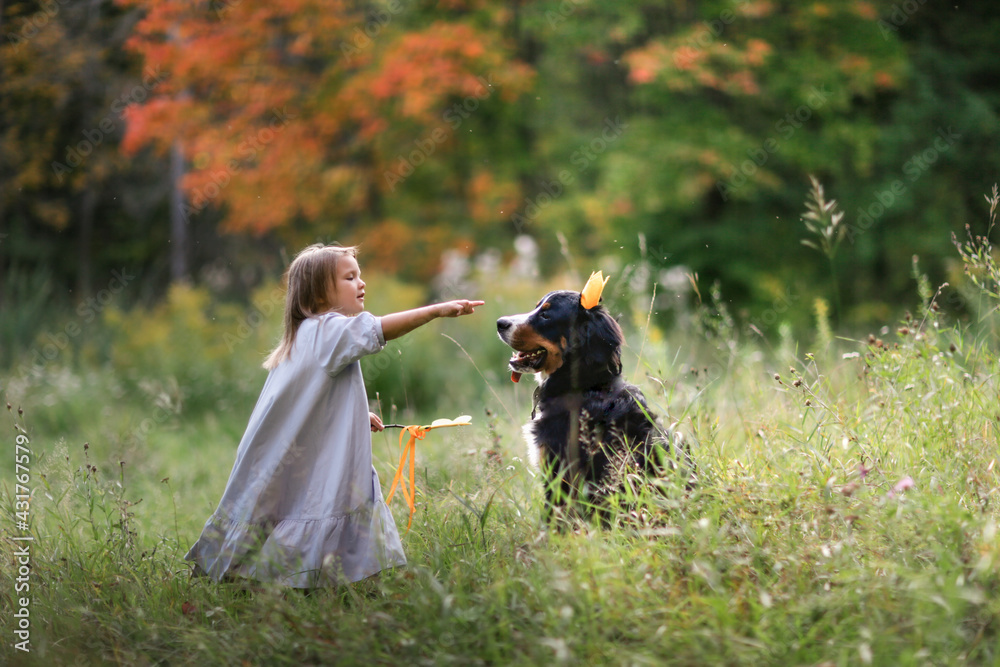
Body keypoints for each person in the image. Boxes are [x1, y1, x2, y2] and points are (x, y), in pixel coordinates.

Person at [185, 243, 484, 588]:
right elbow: (380, 329)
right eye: (349, 277)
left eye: (360, 275)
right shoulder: (327, 331)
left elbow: (307, 402)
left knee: (281, 506)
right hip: (293, 457)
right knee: (313, 504)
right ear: (319, 295)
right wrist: (436, 311)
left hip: (282, 455)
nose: (362, 283)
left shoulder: (306, 335)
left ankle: (265, 579)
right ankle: (307, 580)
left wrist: (355, 414)